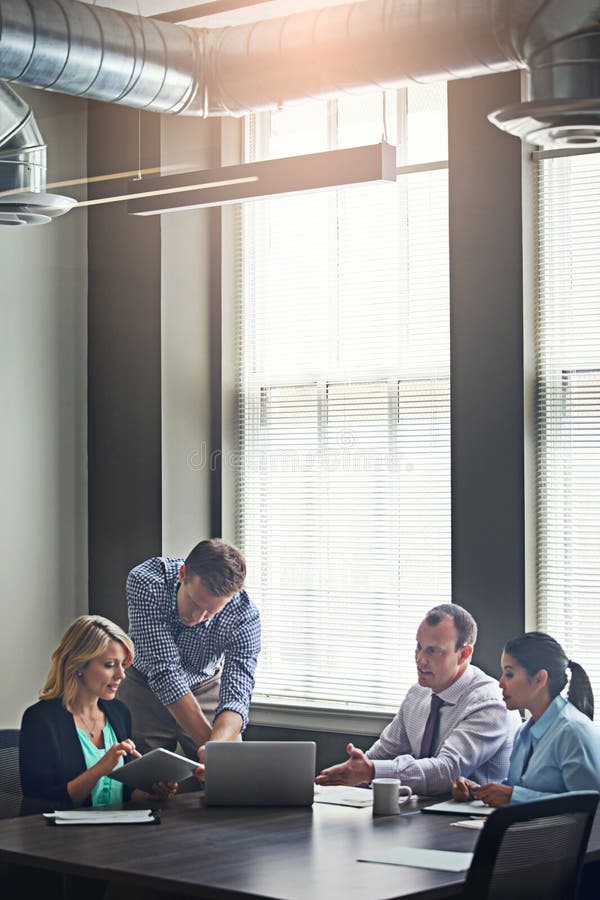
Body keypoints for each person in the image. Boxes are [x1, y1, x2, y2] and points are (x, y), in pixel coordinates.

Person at [315, 603, 520, 795]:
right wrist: (342, 776)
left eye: (432, 650)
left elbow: (447, 771)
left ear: (463, 654)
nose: (420, 659)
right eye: (418, 647)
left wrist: (371, 772)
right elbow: (381, 755)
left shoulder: (490, 703)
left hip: (474, 817)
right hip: (423, 811)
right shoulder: (418, 693)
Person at [117, 538, 261, 764]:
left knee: (231, 773)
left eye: (210, 612)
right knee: (142, 775)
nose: (197, 617)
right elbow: (165, 672)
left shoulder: (244, 615)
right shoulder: (146, 582)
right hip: (143, 687)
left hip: (205, 685)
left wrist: (217, 749)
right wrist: (213, 756)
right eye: (193, 602)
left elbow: (237, 695)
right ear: (182, 574)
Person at [19, 614, 177, 815]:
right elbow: (41, 803)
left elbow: (124, 794)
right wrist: (99, 770)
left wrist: (150, 791)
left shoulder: (120, 712)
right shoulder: (40, 719)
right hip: (62, 832)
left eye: (123, 665)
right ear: (79, 665)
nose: (121, 675)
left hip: (117, 828)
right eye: (110, 665)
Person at [452, 631, 600, 806]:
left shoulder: (573, 732)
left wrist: (514, 797)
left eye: (509, 674)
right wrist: (479, 792)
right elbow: (522, 788)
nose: (500, 683)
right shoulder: (524, 732)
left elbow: (591, 806)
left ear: (540, 679)